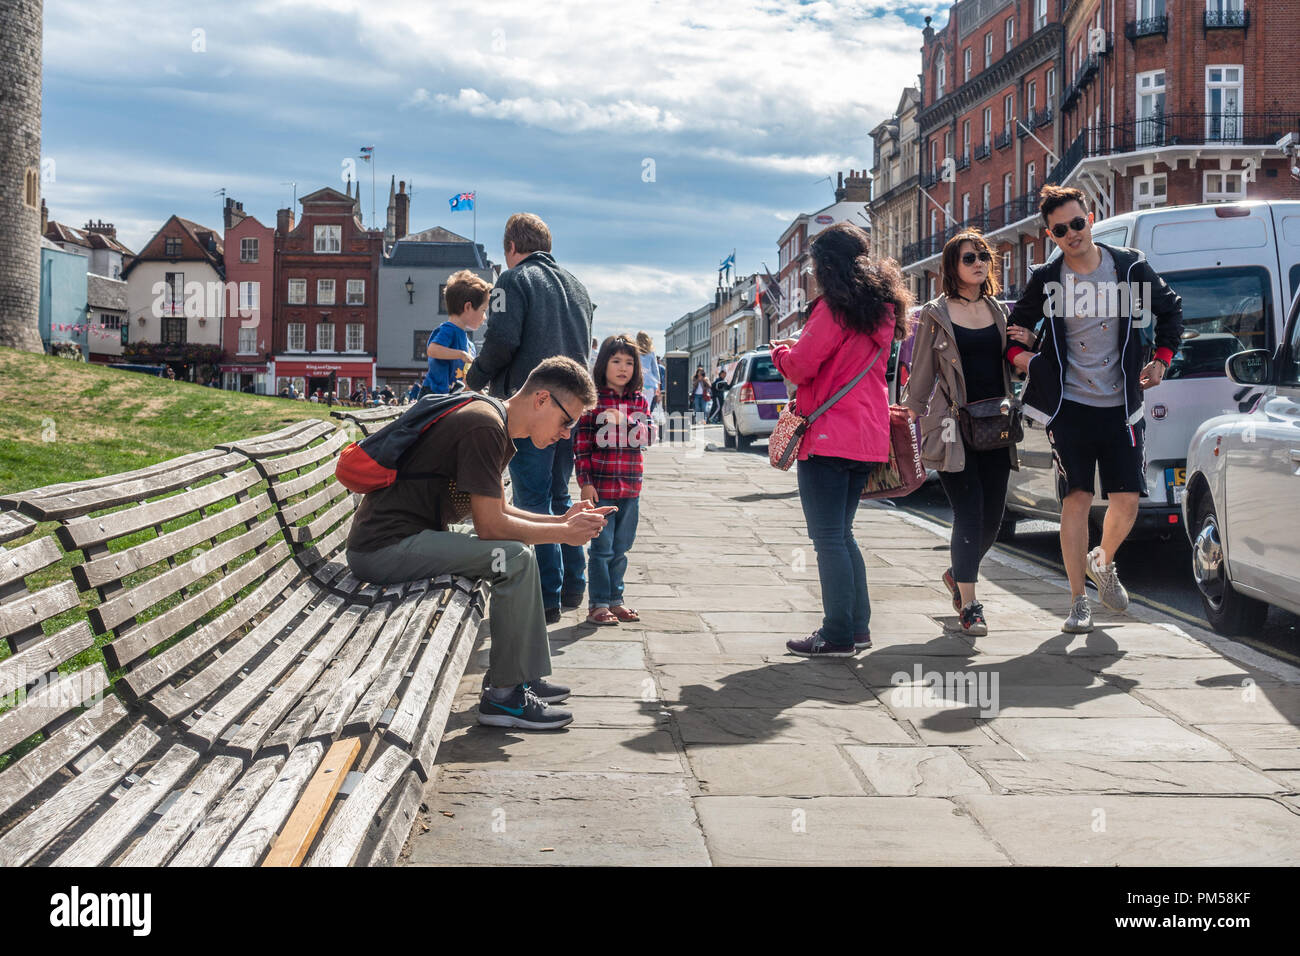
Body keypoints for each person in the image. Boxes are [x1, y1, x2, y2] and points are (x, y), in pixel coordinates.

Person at [346, 357, 611, 730]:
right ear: (541, 400)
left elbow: (499, 510)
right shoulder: (484, 427)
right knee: (514, 558)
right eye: (567, 420)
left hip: (411, 538)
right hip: (383, 549)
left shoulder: (492, 420)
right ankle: (504, 698)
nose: (567, 433)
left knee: (521, 550)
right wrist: (564, 534)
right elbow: (490, 527)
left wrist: (561, 520)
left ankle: (520, 675)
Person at [1006, 185, 1183, 633]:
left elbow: (1171, 310)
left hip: (1122, 406)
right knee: (1077, 498)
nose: (1071, 234)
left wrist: (1162, 360)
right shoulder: (1047, 278)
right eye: (1060, 229)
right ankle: (1077, 602)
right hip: (1069, 408)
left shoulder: (1129, 266)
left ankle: (1102, 563)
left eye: (1077, 223)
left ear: (1091, 215)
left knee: (1126, 501)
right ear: (1051, 234)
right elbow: (1016, 328)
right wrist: (1023, 359)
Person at [770, 223, 912, 657]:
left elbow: (799, 367)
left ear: (826, 265)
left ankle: (836, 635)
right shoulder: (882, 311)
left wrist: (780, 350)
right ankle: (857, 628)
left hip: (829, 436)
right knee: (843, 535)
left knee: (828, 538)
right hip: (867, 437)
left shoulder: (834, 309)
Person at [466, 213, 594, 622]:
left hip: (533, 412)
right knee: (559, 496)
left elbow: (502, 341)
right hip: (568, 412)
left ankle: (546, 598)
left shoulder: (512, 281)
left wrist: (475, 377)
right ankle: (574, 585)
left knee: (532, 499)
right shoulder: (577, 286)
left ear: (510, 249)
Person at [901, 231, 1019, 637]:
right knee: (969, 514)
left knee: (992, 519)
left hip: (996, 425)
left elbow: (1012, 365)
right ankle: (971, 606)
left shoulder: (998, 309)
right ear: (952, 266)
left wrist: (1027, 347)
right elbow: (920, 376)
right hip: (953, 428)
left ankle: (956, 572)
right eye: (970, 257)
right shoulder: (935, 314)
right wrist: (904, 420)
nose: (979, 263)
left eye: (984, 256)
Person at [574, 335, 650, 626]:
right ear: (603, 364)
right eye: (616, 361)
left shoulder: (639, 400)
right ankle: (598, 604)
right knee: (601, 549)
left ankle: (616, 600)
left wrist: (624, 420)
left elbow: (649, 436)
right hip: (601, 488)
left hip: (631, 487)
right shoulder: (592, 401)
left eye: (629, 362)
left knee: (621, 548)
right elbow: (581, 445)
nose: (622, 368)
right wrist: (585, 481)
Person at [423, 270, 491, 397]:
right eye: (483, 310)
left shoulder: (469, 345)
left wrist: (488, 399)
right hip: (434, 395)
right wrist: (460, 354)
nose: (485, 317)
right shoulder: (448, 330)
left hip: (451, 397)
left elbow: (467, 383)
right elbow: (432, 350)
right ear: (468, 307)